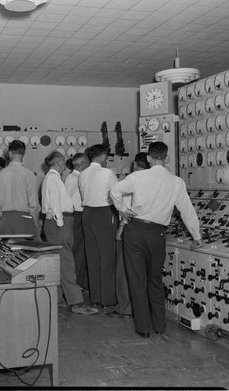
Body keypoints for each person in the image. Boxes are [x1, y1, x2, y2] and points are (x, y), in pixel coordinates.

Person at [110, 142, 204, 338]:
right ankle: (160, 325)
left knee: (137, 281)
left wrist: (123, 210)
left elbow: (115, 191)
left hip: (135, 231)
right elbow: (187, 210)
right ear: (166, 158)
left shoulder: (137, 176)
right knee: (155, 279)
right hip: (157, 235)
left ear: (149, 158)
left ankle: (143, 328)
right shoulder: (176, 182)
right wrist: (196, 236)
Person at [41, 152, 98, 315]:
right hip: (60, 222)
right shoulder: (53, 179)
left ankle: (59, 298)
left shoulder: (50, 178)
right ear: (58, 162)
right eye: (63, 162)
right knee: (67, 264)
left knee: (59, 263)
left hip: (55, 222)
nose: (65, 165)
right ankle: (77, 302)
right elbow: (55, 203)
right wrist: (61, 224)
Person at [109, 152, 151, 319]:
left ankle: (126, 307)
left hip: (131, 227)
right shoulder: (156, 181)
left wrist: (121, 227)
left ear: (135, 165)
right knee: (145, 271)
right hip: (151, 229)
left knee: (124, 270)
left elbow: (125, 205)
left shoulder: (132, 180)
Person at [78, 144, 118, 309]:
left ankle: (95, 297)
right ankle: (107, 299)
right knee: (107, 257)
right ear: (102, 156)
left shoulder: (83, 174)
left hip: (87, 214)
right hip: (103, 214)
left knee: (92, 256)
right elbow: (116, 193)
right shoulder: (107, 172)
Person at [0, 140, 40, 238]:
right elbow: (34, 205)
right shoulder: (29, 175)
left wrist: (4, 216)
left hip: (5, 219)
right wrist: (36, 227)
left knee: (6, 251)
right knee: (25, 251)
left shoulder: (0, 175)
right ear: (24, 154)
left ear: (9, 153)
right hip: (24, 218)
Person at [64, 153, 90, 291]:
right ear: (82, 163)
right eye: (87, 162)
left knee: (82, 251)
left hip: (82, 215)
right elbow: (66, 198)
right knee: (78, 251)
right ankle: (77, 283)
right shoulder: (73, 178)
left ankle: (81, 281)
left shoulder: (79, 177)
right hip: (76, 215)